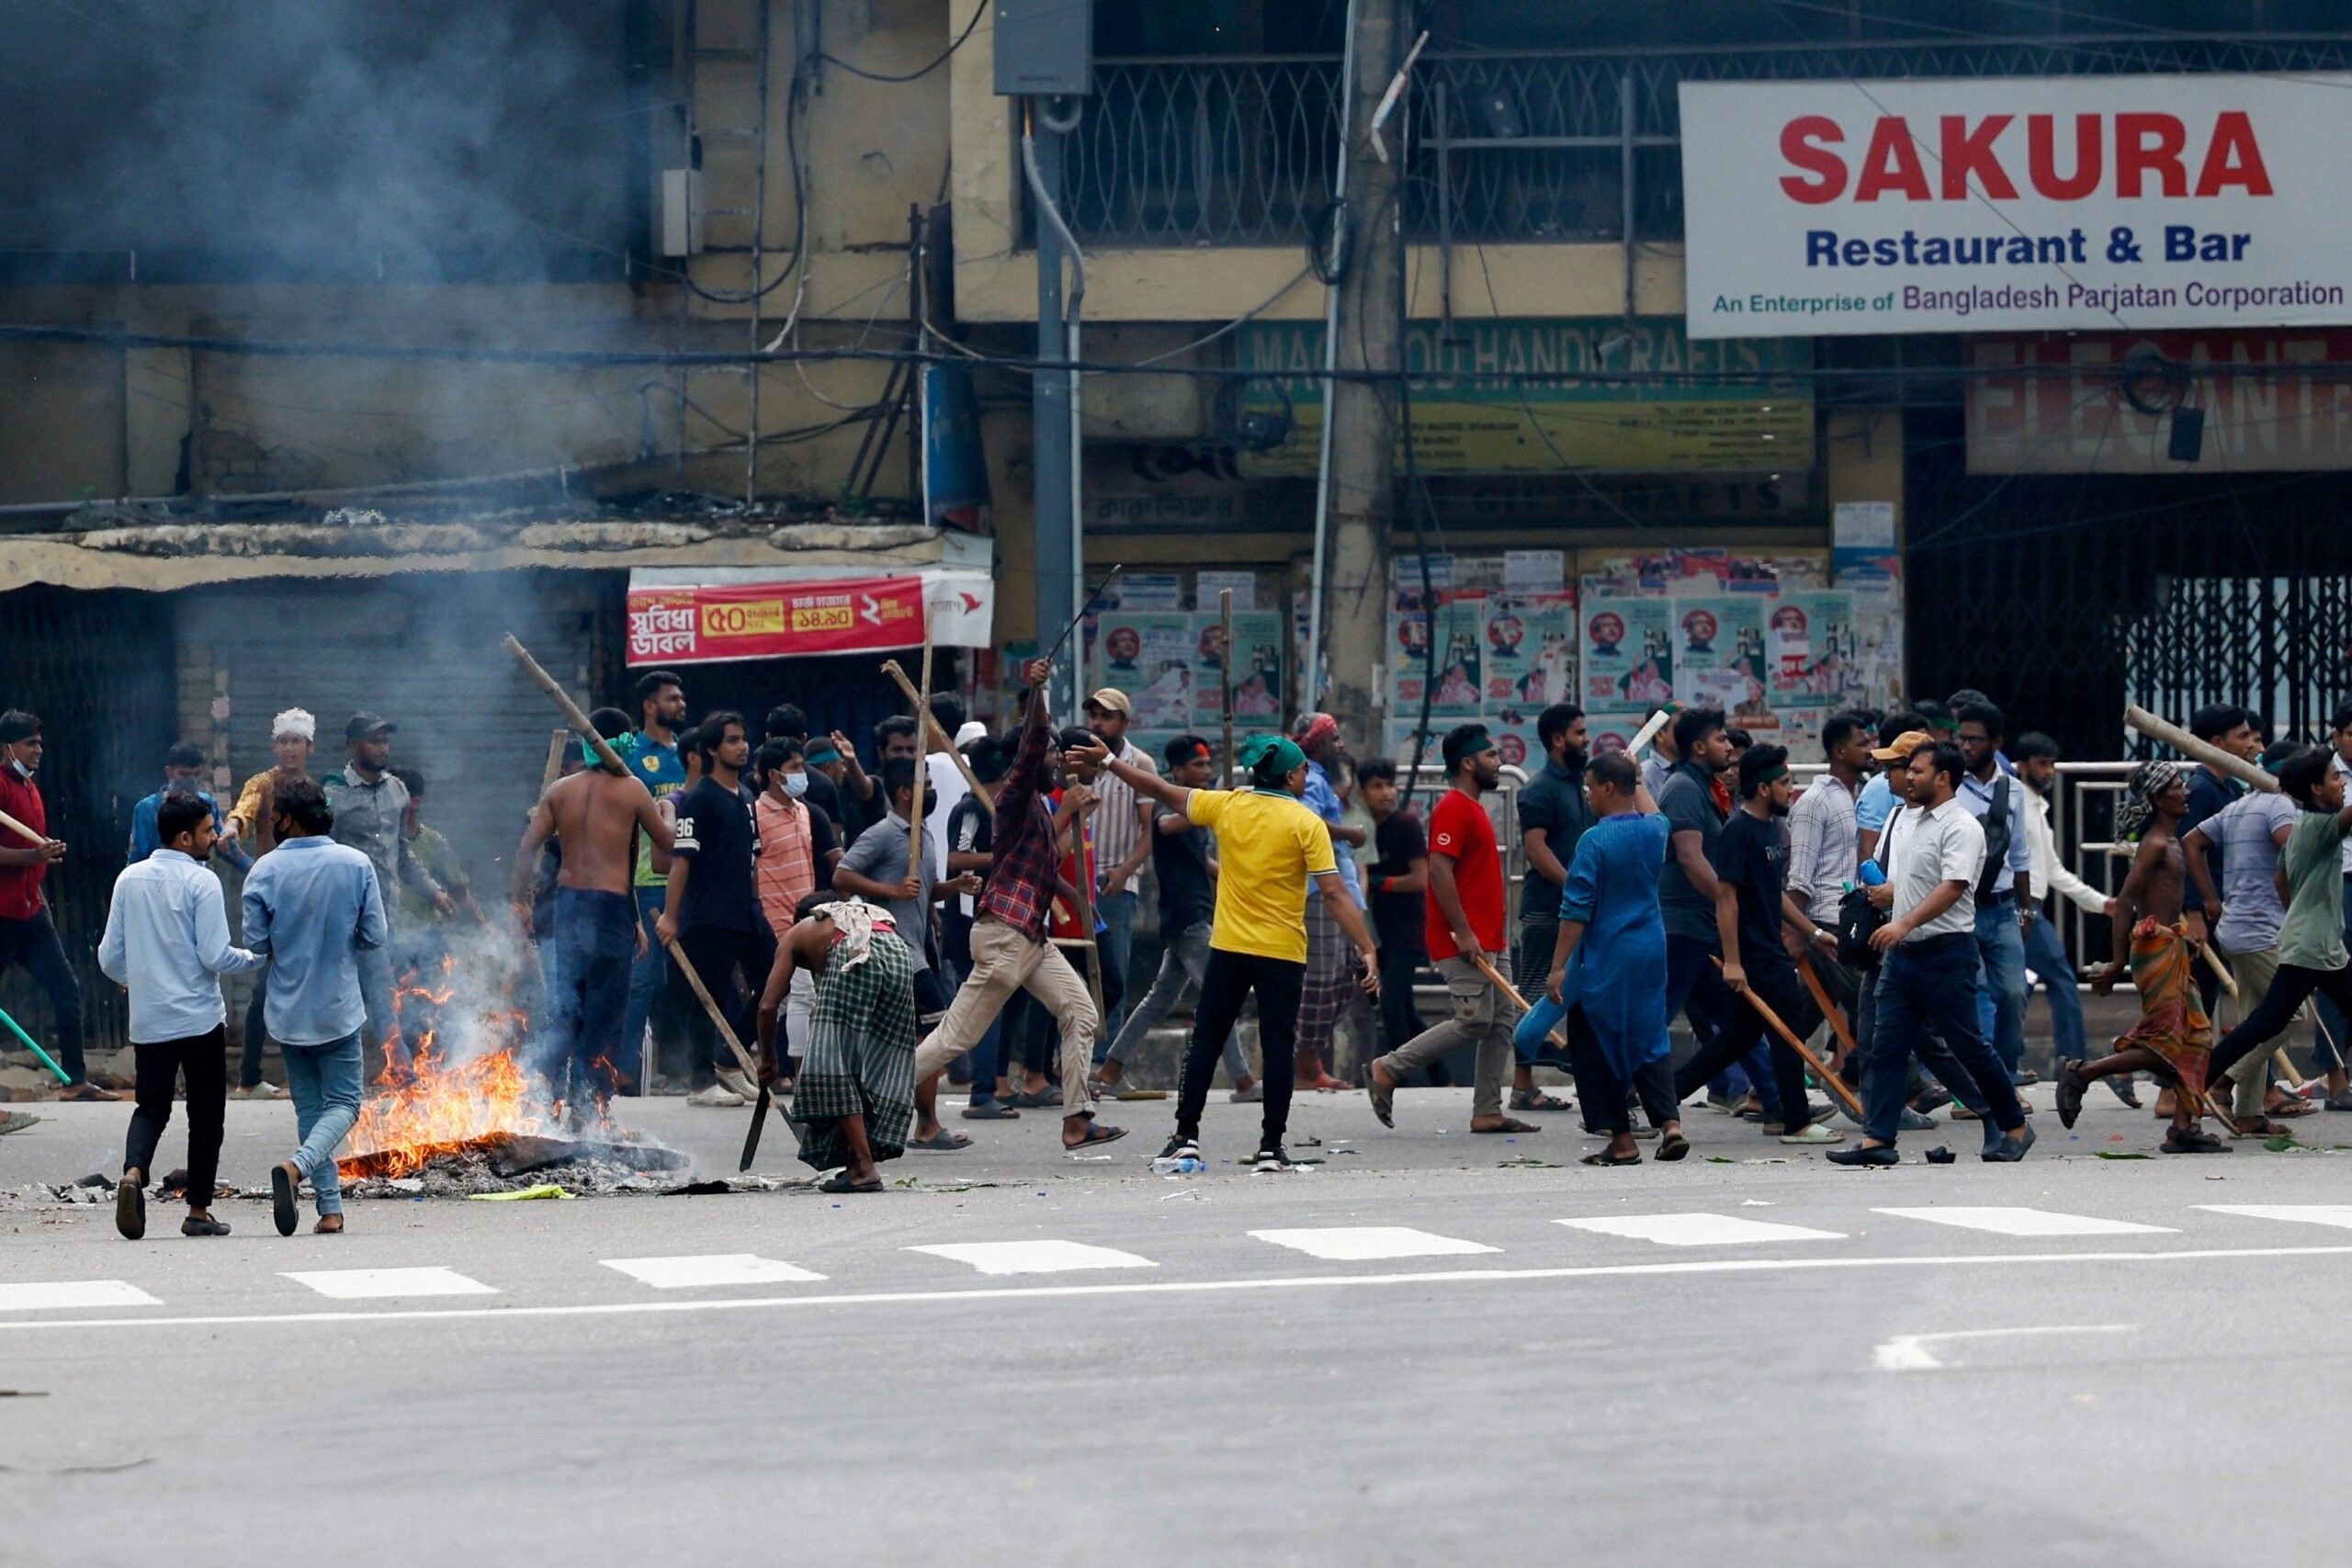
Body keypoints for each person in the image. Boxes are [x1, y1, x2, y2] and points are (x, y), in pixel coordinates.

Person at [1072, 728, 1380, 1170]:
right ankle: (1272, 1146)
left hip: (1230, 947)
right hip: (1282, 952)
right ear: (1291, 777)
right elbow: (1333, 893)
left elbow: (1157, 788)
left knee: (1206, 1040)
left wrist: (1108, 763)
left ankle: (1185, 1136)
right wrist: (1366, 946)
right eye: (1302, 771)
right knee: (1278, 1048)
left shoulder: (1228, 804)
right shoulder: (1304, 822)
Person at [908, 659, 1122, 1151]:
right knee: (954, 1040)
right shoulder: (1016, 797)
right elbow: (1031, 745)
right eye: (1050, 752)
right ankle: (855, 1100)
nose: (1054, 757)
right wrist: (1038, 693)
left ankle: (1076, 1120)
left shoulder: (1044, 813)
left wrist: (1070, 815)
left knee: (1080, 1014)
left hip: (1029, 936)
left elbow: (1049, 868)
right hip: (1006, 933)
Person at [1828, 741, 2034, 1167]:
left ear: (1943, 777)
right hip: (1904, 955)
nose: (1909, 778)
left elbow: (1953, 887)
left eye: (1918, 770)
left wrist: (1904, 922)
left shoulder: (1961, 826)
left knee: (1969, 1045)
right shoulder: (1912, 821)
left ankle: (2013, 1124)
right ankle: (1877, 1139)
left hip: (1946, 952)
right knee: (1885, 1045)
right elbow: (1911, 884)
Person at [99, 793, 266, 1239]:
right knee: (206, 1113)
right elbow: (214, 955)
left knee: (151, 1107)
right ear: (185, 836)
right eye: (209, 830)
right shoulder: (201, 881)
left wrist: (137, 980)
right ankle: (197, 1210)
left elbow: (109, 957)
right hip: (198, 1020)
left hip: (150, 1020)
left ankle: (134, 1172)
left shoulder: (129, 879)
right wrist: (256, 958)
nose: (214, 838)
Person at [1515, 751, 1683, 1165]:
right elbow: (1655, 811)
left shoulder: (1594, 841)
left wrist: (1557, 968)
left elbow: (1576, 909)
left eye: (1591, 787)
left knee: (1596, 1040)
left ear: (1608, 788)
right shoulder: (1655, 832)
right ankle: (1671, 1124)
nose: (1587, 795)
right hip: (1650, 950)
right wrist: (1636, 776)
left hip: (1607, 955)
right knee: (1649, 1035)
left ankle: (1622, 1142)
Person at [1365, 724, 1530, 1134]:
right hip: (1465, 940)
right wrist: (1464, 932)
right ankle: (1388, 1067)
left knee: (1502, 1021)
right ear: (1468, 763)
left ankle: (1488, 1110)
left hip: (1492, 937)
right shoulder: (1454, 807)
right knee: (1474, 1020)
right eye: (1491, 756)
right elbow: (1439, 869)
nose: (1499, 762)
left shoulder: (1474, 807)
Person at [242, 777, 386, 1235]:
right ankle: (299, 1167)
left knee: (310, 1110)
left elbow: (256, 943)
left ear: (285, 818)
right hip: (338, 1007)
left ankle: (331, 1210)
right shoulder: (356, 863)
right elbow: (373, 936)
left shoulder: (263, 871)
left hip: (287, 1011)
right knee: (344, 1103)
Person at [514, 713, 675, 1117]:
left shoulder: (560, 789)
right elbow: (665, 848)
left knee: (568, 1010)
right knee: (603, 1017)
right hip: (606, 912)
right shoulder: (634, 790)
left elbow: (525, 849)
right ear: (623, 743)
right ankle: (588, 1112)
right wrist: (668, 808)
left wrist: (519, 902)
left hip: (569, 908)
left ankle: (539, 1100)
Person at [2060, 762, 2227, 1151]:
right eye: (2175, 787)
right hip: (2155, 950)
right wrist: (2117, 962)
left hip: (2173, 945)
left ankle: (2184, 1127)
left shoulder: (2173, 842)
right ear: (2157, 799)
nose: (2185, 791)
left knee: (2198, 1037)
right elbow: (2125, 904)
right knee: (2166, 1041)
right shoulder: (2155, 844)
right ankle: (2082, 1073)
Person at [1680, 744, 1843, 1144]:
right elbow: (1727, 897)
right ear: (1764, 788)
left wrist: (1814, 933)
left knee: (1733, 1042)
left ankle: (1656, 1101)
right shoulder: (1738, 831)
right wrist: (1734, 962)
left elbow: (1776, 895)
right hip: (1755, 956)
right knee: (1789, 1036)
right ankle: (1796, 1121)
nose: (1791, 791)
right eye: (1785, 783)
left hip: (1769, 948)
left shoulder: (1770, 828)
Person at [2193, 747, 2352, 1124]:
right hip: (2315, 947)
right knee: (2266, 1022)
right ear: (2315, 788)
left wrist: (2304, 913)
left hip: (2311, 941)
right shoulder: (2317, 827)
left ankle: (2202, 1079)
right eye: (2335, 777)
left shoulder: (2301, 829)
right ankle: (2201, 1079)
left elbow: (2281, 880)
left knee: (2266, 1021)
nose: (2343, 783)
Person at [834, 756, 981, 1150]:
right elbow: (843, 874)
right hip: (894, 952)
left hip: (919, 948)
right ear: (904, 792)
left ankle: (912, 1121)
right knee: (933, 1033)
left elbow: (926, 890)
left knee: (911, 1037)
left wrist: (956, 887)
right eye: (926, 784)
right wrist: (891, 892)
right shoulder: (884, 833)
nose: (932, 790)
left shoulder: (924, 834)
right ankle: (925, 1124)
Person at [1098, 736, 1255, 1100]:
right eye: (1198, 766)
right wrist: (1213, 804)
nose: (1206, 771)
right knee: (1221, 994)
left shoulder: (1196, 808)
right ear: (1179, 771)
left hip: (1192, 912)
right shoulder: (1170, 804)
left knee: (1159, 999)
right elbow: (1166, 826)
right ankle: (1244, 1080)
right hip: (1187, 915)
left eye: (1207, 764)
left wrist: (1236, 878)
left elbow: (1202, 860)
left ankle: (1110, 1068)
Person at [2183, 740, 2312, 1134]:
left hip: (2238, 927)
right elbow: (2294, 853)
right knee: (2291, 1015)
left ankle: (2249, 1113)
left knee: (2257, 1019)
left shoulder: (2240, 805)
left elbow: (2192, 841)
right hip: (2262, 929)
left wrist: (2210, 898)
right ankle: (2225, 1078)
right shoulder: (2280, 807)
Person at [758, 896, 922, 1191]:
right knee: (878, 1058)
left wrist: (769, 1060)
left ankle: (862, 1166)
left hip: (855, 954)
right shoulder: (851, 917)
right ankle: (858, 1158)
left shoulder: (796, 935)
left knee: (831, 1065)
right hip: (899, 953)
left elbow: (768, 1006)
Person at [655, 713, 775, 1107]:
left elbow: (752, 861)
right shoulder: (699, 800)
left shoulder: (746, 798)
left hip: (746, 913)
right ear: (711, 750)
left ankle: (729, 1057)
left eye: (744, 739)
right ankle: (700, 1082)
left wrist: (758, 907)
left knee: (775, 981)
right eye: (732, 740)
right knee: (706, 998)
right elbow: (681, 862)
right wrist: (672, 917)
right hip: (708, 915)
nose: (742, 747)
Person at [322, 713, 448, 1078]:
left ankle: (401, 1071)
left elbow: (403, 853)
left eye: (385, 741)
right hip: (344, 918)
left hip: (384, 918)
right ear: (352, 745)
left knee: (383, 994)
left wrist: (435, 892)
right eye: (374, 741)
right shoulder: (332, 794)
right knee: (347, 999)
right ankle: (367, 1071)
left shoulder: (397, 791)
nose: (383, 748)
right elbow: (320, 853)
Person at [2011, 732, 2134, 1107]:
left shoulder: (2036, 808)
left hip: (2030, 904)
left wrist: (2100, 903)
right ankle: (2074, 1062)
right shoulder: (2016, 803)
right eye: (2041, 763)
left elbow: (2053, 870)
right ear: (2022, 764)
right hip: (2022, 905)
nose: (2049, 771)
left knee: (2018, 988)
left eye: (2051, 763)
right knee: (2059, 979)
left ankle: (2007, 1061)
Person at [0, 710, 107, 1100]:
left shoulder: (30, 788)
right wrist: (33, 857)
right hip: (1, 913)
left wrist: (37, 875)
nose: (38, 750)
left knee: (66, 988)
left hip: (31, 913)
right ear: (7, 746)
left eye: (40, 743)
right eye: (31, 743)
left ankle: (76, 1080)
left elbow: (32, 853)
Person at [226, 707, 315, 1100]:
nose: (289, 748)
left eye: (296, 741)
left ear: (308, 746)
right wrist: (237, 836)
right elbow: (240, 816)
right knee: (266, 985)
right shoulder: (261, 784)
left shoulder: (314, 790)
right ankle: (248, 1078)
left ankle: (292, 1074)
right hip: (274, 899)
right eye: (283, 741)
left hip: (308, 896)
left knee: (307, 984)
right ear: (274, 746)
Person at [1510, 703, 1589, 1111]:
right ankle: (1522, 1085)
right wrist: (1572, 884)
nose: (1586, 739)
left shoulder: (1576, 783)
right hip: (1547, 910)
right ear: (1558, 740)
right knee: (1537, 992)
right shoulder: (1540, 788)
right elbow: (1535, 847)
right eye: (1579, 732)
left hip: (1576, 909)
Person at [1952, 702, 2035, 1086]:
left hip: (2002, 907)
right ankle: (1985, 1082)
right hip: (1962, 905)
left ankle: (2005, 1071)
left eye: (1975, 739)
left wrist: (2026, 912)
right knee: (1978, 993)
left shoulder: (2014, 790)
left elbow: (2019, 856)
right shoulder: (1950, 785)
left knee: (2014, 993)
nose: (1967, 746)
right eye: (1962, 738)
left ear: (1996, 742)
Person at [750, 735, 841, 1082]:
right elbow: (754, 867)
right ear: (774, 774)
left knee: (798, 996)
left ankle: (788, 1067)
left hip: (807, 916)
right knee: (795, 995)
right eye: (795, 767)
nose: (803, 773)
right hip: (776, 919)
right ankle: (798, 1074)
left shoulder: (803, 811)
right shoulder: (756, 814)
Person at [1784, 711, 1872, 1061]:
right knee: (1865, 1000)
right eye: (1862, 743)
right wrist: (1795, 930)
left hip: (1848, 918)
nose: (1871, 749)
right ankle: (1909, 1086)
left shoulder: (1857, 796)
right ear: (1839, 751)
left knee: (1808, 1009)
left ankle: (1763, 1091)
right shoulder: (1814, 802)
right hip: (1823, 922)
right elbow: (1799, 872)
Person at [619, 668, 690, 1096]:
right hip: (646, 880)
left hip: (688, 877)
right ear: (650, 705)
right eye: (672, 698)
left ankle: (679, 1069)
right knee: (643, 979)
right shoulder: (630, 756)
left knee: (681, 979)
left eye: (681, 698)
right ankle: (623, 1069)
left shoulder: (690, 753)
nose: (680, 704)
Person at [1291, 713, 1370, 1091]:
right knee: (1321, 982)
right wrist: (1350, 832)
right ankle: (1304, 1064)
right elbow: (1306, 824)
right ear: (1316, 743)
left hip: (1340, 892)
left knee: (1342, 981)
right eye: (1334, 739)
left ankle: (1311, 1060)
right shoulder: (1307, 779)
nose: (1340, 746)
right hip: (1319, 894)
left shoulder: (1323, 781)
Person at [940, 736, 1017, 1117]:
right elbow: (957, 857)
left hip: (999, 917)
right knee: (983, 1006)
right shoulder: (972, 808)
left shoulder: (1001, 808)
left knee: (994, 1004)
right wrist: (1005, 856)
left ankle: (991, 1082)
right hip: (971, 919)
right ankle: (981, 1090)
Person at [1082, 687, 1159, 1048]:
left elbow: (1150, 830)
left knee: (1113, 978)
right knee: (1071, 978)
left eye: (1106, 716)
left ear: (1124, 722)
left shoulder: (1140, 764)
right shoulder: (1080, 758)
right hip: (1074, 885)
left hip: (1114, 884)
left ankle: (1102, 1059)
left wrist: (1124, 871)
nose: (1098, 723)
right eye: (1094, 715)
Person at [1359, 757, 1436, 1082]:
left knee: (1391, 1006)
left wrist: (1380, 883)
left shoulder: (1405, 825)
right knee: (1406, 1010)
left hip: (1407, 928)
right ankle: (1441, 1076)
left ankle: (1397, 1077)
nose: (1387, 793)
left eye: (1390, 785)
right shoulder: (1361, 827)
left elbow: (1420, 879)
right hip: (1377, 930)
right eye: (1377, 786)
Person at [126, 741, 245, 868]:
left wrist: (255, 869)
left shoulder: (207, 803)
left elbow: (224, 845)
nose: (191, 781)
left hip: (196, 879)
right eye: (184, 774)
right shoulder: (147, 808)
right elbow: (138, 857)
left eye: (196, 774)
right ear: (169, 772)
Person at [1855, 710, 1929, 863]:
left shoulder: (1942, 815)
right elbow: (1867, 853)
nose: (1887, 775)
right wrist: (1877, 886)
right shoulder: (1880, 790)